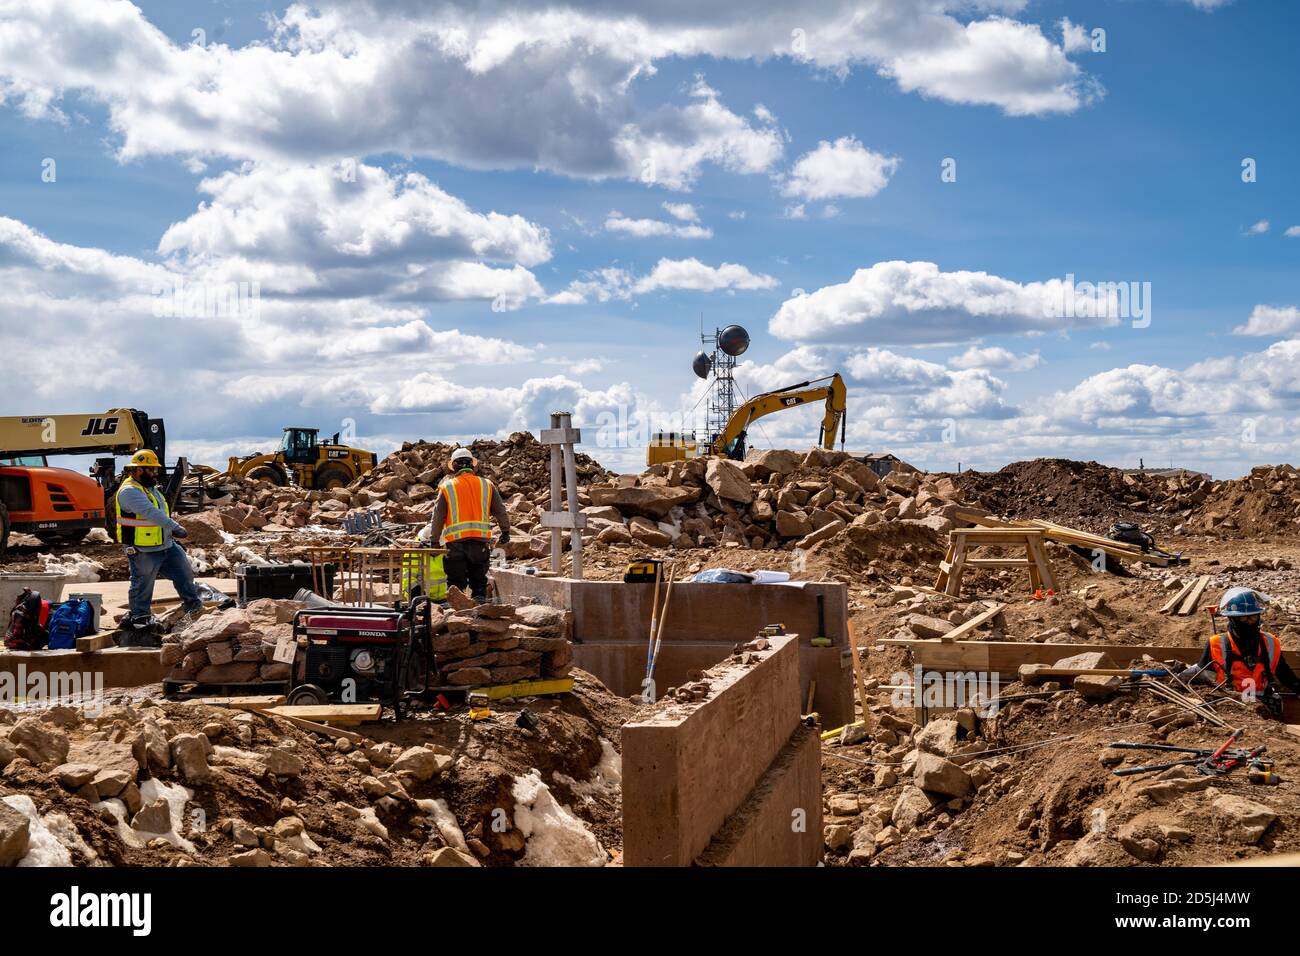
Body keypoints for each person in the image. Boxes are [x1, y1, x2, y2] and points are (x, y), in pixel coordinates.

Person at [115, 450, 202, 642]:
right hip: (143, 549)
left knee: (185, 574)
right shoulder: (130, 491)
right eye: (152, 469)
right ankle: (140, 619)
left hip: (165, 545)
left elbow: (162, 511)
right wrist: (176, 527)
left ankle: (194, 608)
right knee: (142, 584)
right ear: (138, 470)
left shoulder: (150, 488)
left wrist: (170, 533)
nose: (155, 473)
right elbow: (151, 513)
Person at [1181, 586, 1300, 717]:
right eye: (1243, 618)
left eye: (1253, 617)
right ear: (1232, 618)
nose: (1249, 622)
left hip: (1264, 706)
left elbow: (1284, 673)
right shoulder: (1216, 644)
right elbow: (1201, 674)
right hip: (1232, 706)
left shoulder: (1271, 643)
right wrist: (1178, 678)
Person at [427, 447, 510, 600]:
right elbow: (500, 510)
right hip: (480, 543)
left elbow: (438, 517)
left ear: (455, 466)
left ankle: (457, 617)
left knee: (455, 585)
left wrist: (434, 541)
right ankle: (479, 614)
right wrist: (505, 531)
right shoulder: (487, 485)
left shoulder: (447, 487)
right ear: (472, 464)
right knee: (478, 582)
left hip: (456, 544)